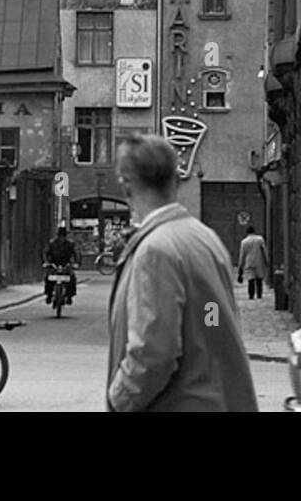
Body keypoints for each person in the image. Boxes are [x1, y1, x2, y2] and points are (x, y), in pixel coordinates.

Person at [107, 134, 258, 412]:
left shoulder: (156, 250)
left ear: (126, 183)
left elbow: (154, 353)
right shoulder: (204, 237)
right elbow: (212, 312)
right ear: (174, 180)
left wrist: (120, 399)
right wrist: (204, 328)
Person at [44, 225, 78, 304]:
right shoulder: (52, 244)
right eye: (60, 236)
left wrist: (76, 263)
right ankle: (49, 294)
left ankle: (69, 296)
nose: (61, 238)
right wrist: (46, 262)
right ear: (58, 236)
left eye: (63, 236)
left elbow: (76, 253)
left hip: (66, 265)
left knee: (72, 278)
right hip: (54, 264)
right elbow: (45, 252)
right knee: (48, 278)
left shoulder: (70, 244)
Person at [237, 225, 269, 300]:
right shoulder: (260, 239)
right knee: (259, 279)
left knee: (250, 279)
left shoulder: (244, 242)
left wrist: (240, 267)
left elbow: (242, 255)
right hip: (259, 261)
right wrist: (267, 260)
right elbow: (264, 250)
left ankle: (251, 295)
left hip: (249, 262)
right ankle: (259, 295)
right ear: (254, 231)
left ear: (247, 233)